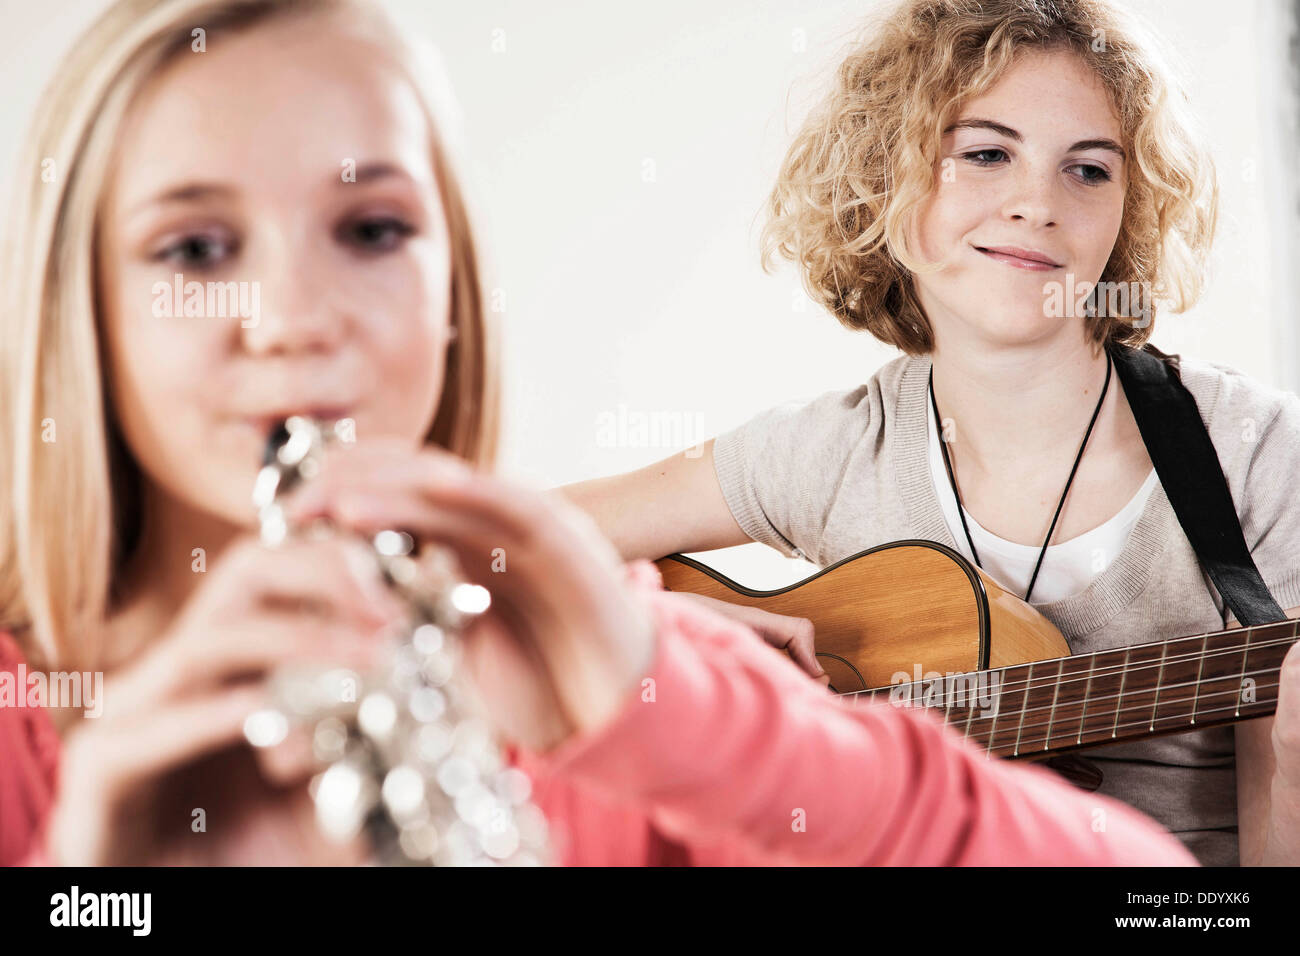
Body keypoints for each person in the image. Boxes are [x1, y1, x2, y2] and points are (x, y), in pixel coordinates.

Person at [0, 0, 1196, 867]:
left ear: (454, 292)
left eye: (370, 229)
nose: (295, 322)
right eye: (195, 250)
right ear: (78, 303)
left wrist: (671, 696)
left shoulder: (623, 694)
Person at [561, 0, 1300, 867]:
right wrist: (696, 650)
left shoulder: (1251, 450)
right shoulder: (832, 454)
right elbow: (493, 551)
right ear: (889, 181)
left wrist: (1290, 763)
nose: (1036, 203)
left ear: (1131, 210)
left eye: (1089, 170)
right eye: (986, 154)